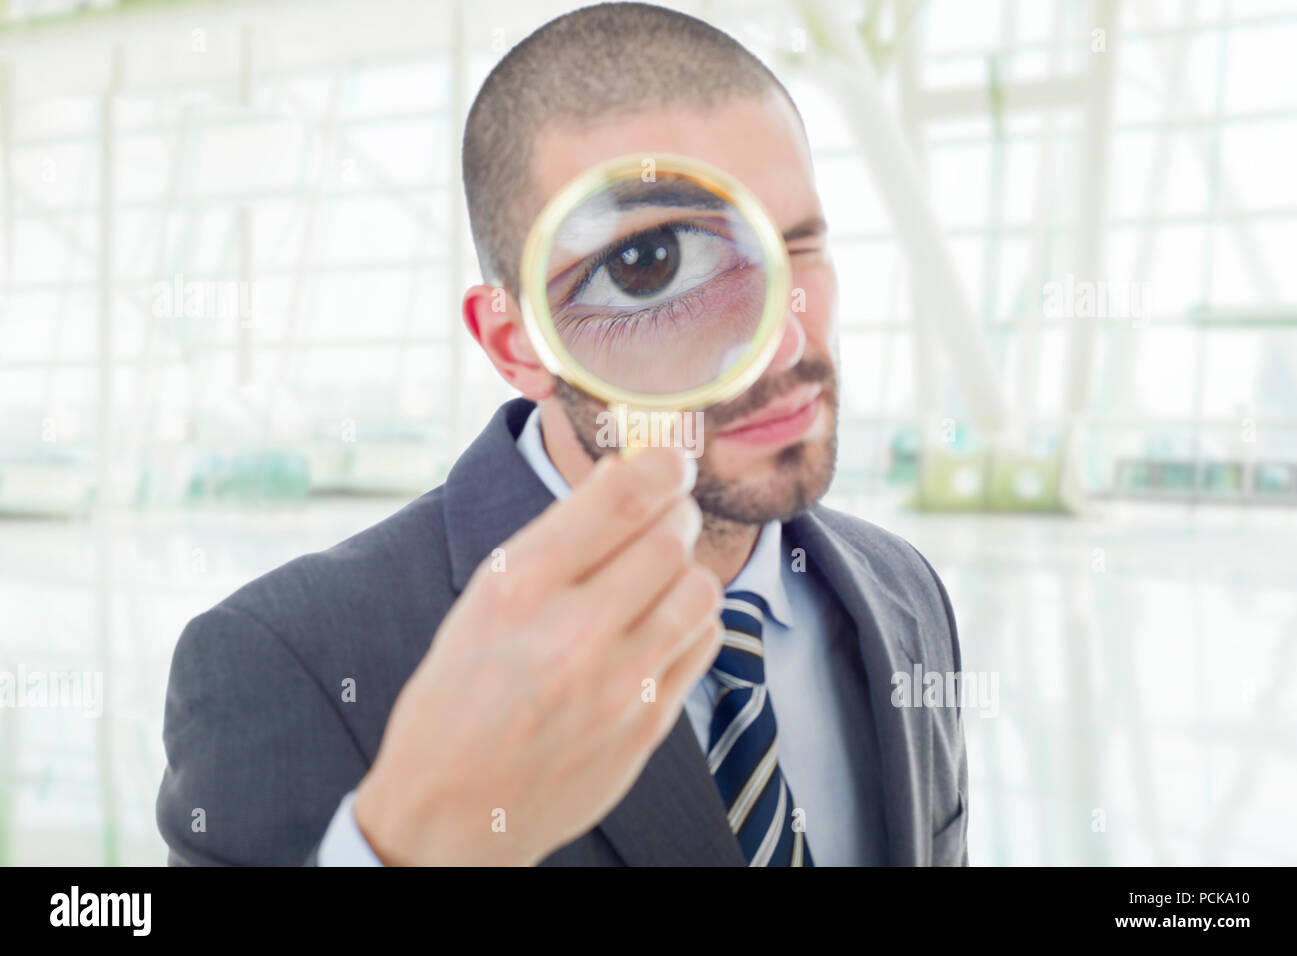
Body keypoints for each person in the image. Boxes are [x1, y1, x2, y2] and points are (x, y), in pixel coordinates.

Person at [156, 1, 969, 867]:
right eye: (651, 264)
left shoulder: (903, 595)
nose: (787, 341)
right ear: (517, 342)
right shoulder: (287, 663)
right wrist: (402, 845)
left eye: (798, 246)